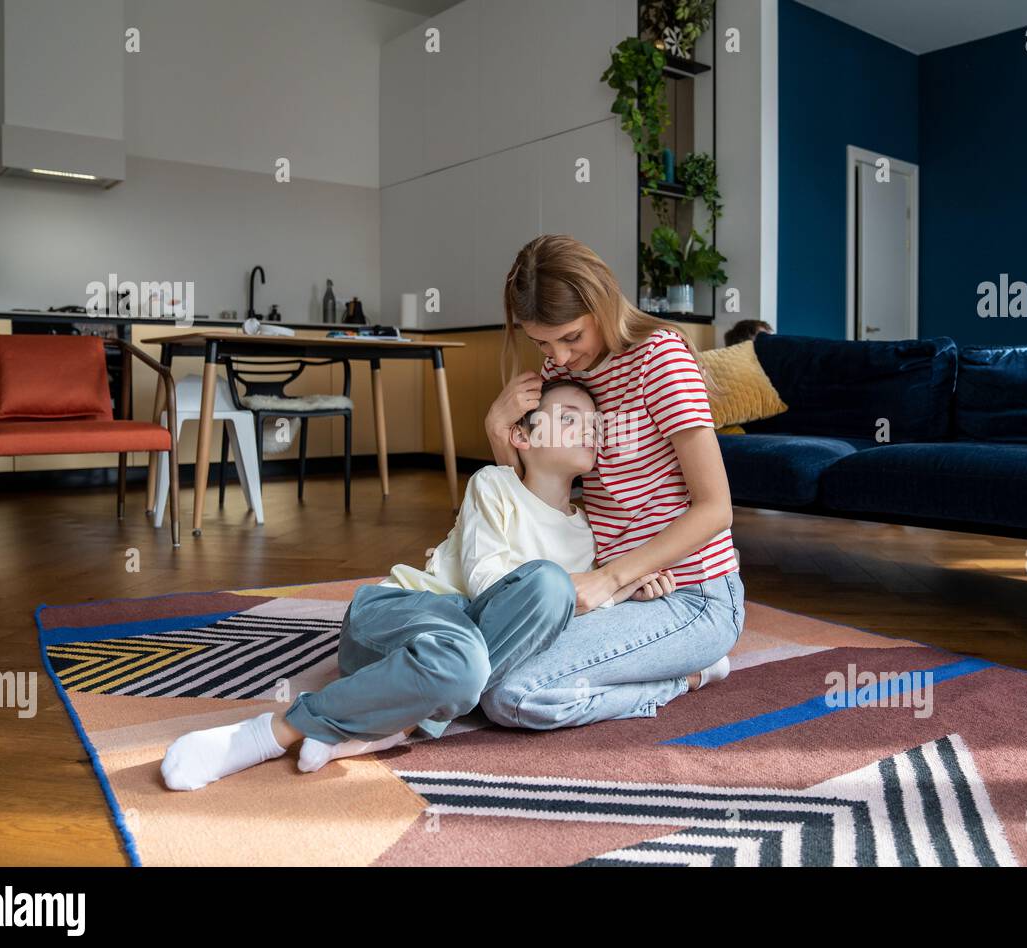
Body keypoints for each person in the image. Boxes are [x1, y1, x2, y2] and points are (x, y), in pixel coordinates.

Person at [160, 379, 674, 791]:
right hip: (400, 615)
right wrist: (572, 590)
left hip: (454, 666)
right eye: (567, 419)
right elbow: (488, 581)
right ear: (522, 437)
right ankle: (270, 733)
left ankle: (388, 724)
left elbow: (556, 628)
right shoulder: (494, 485)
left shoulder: (585, 535)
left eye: (594, 422)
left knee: (478, 655)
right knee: (538, 595)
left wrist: (623, 589)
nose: (588, 429)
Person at [479, 234, 744, 731]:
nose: (559, 355)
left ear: (601, 303)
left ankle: (687, 676)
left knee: (512, 696)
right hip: (617, 591)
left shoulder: (659, 359)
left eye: (571, 337)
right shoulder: (562, 367)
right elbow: (539, 498)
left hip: (695, 597)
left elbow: (716, 508)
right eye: (541, 342)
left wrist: (611, 577)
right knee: (480, 670)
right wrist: (499, 432)